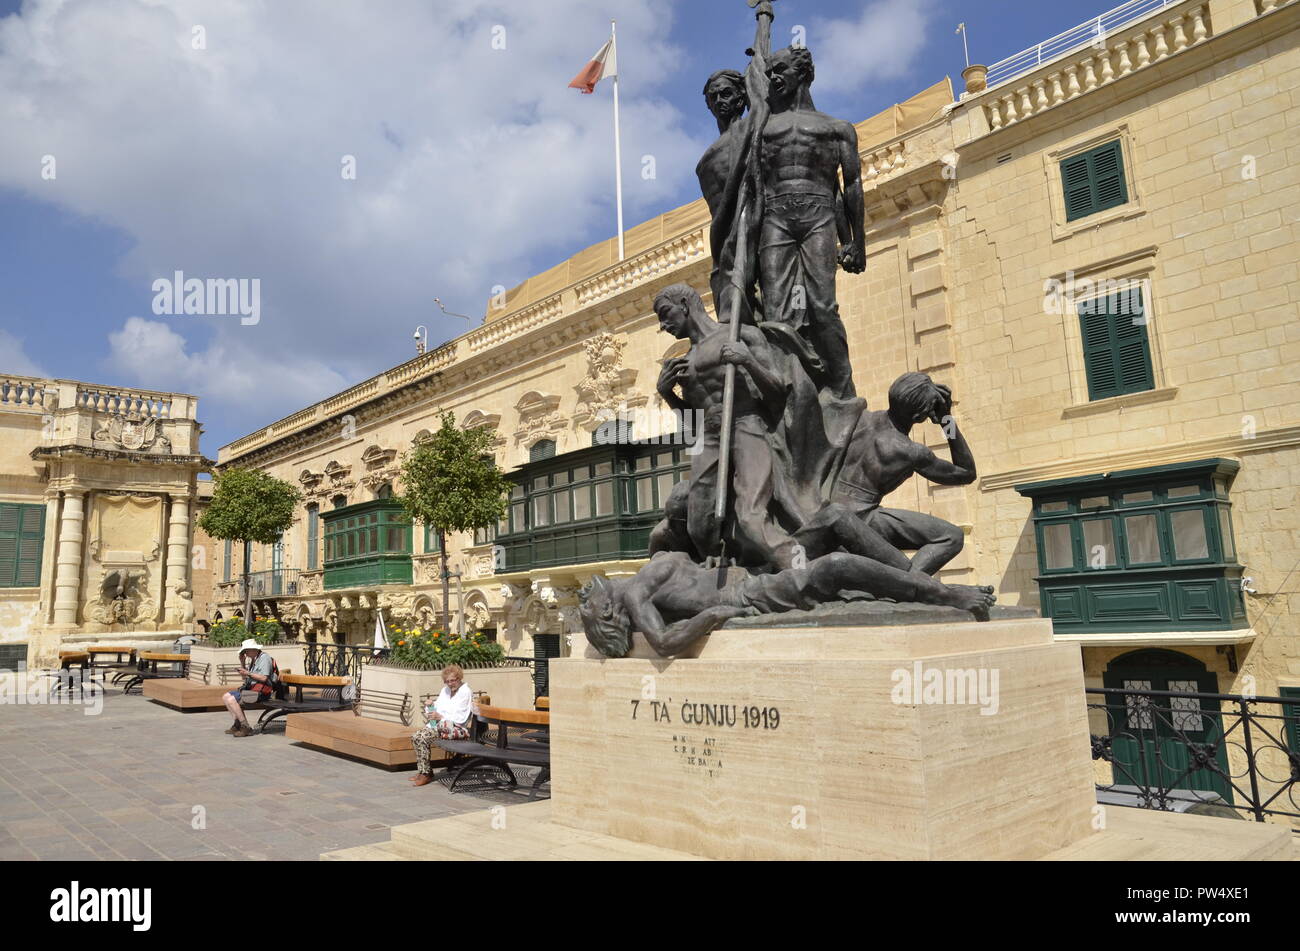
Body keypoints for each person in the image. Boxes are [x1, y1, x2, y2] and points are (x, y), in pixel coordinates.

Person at [579, 550, 996, 659]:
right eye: (587, 604)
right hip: (750, 595)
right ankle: (942, 593)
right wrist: (711, 613)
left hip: (751, 577)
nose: (586, 592)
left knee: (844, 576)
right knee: (836, 565)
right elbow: (666, 643)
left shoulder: (644, 573)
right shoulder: (635, 596)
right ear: (608, 612)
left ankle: (922, 589)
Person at [757, 45, 866, 399]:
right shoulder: (761, 129)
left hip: (818, 216)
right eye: (769, 71)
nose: (773, 78)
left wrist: (855, 241)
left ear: (802, 73)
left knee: (821, 306)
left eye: (780, 70)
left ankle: (840, 387)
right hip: (775, 219)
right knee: (776, 309)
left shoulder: (836, 129)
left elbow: (847, 187)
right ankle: (787, 389)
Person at [797, 373, 976, 576]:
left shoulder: (858, 417)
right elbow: (966, 472)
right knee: (951, 536)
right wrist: (946, 419)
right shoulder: (909, 451)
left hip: (824, 505)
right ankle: (903, 583)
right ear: (919, 416)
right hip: (864, 517)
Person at [410, 664, 474, 788]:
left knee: (420, 737)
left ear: (459, 678)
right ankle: (424, 771)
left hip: (455, 728)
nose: (450, 684)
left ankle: (426, 773)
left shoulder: (465, 692)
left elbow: (460, 718)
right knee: (415, 736)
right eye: (447, 681)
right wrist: (430, 705)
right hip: (441, 725)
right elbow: (438, 707)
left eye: (453, 680)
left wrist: (440, 717)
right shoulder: (445, 690)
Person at [222, 638, 276, 738]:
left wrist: (248, 673)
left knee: (231, 700)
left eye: (246, 651)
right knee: (225, 697)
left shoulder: (264, 658)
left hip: (262, 692)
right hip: (252, 690)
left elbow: (264, 678)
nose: (245, 654)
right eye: (244, 652)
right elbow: (244, 678)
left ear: (253, 649)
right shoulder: (254, 660)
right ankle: (237, 724)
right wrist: (242, 663)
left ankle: (245, 726)